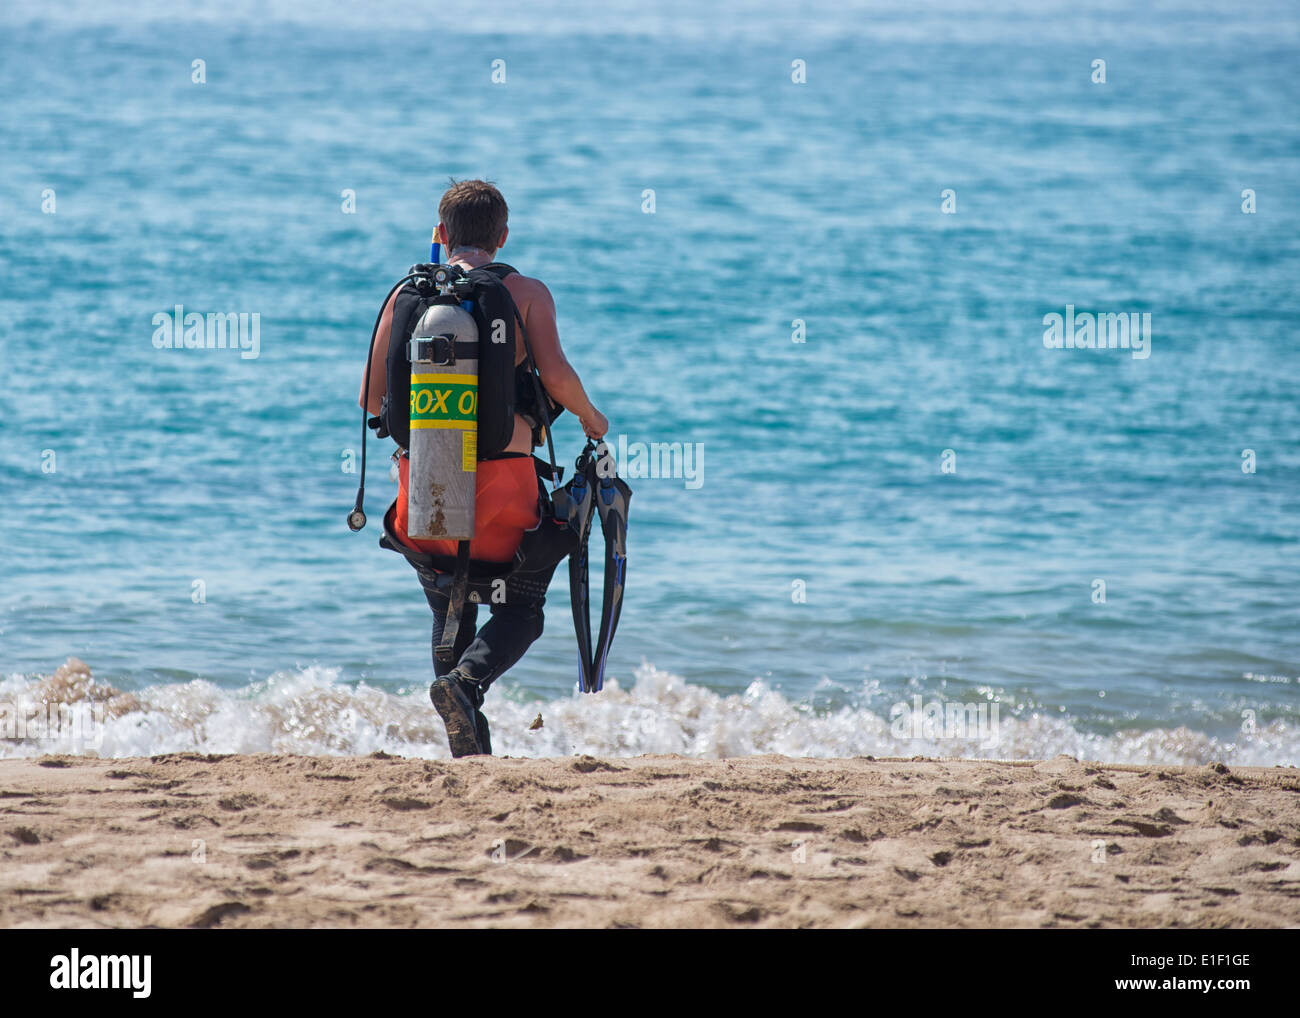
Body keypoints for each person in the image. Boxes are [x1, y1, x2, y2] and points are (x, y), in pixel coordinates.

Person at [359, 180, 608, 757]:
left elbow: (372, 401)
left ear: (441, 234)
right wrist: (594, 419)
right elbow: (557, 377)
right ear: (502, 237)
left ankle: (463, 734)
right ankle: (464, 686)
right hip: (503, 494)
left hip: (422, 493)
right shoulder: (526, 292)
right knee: (522, 607)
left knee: (452, 602)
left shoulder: (404, 298)